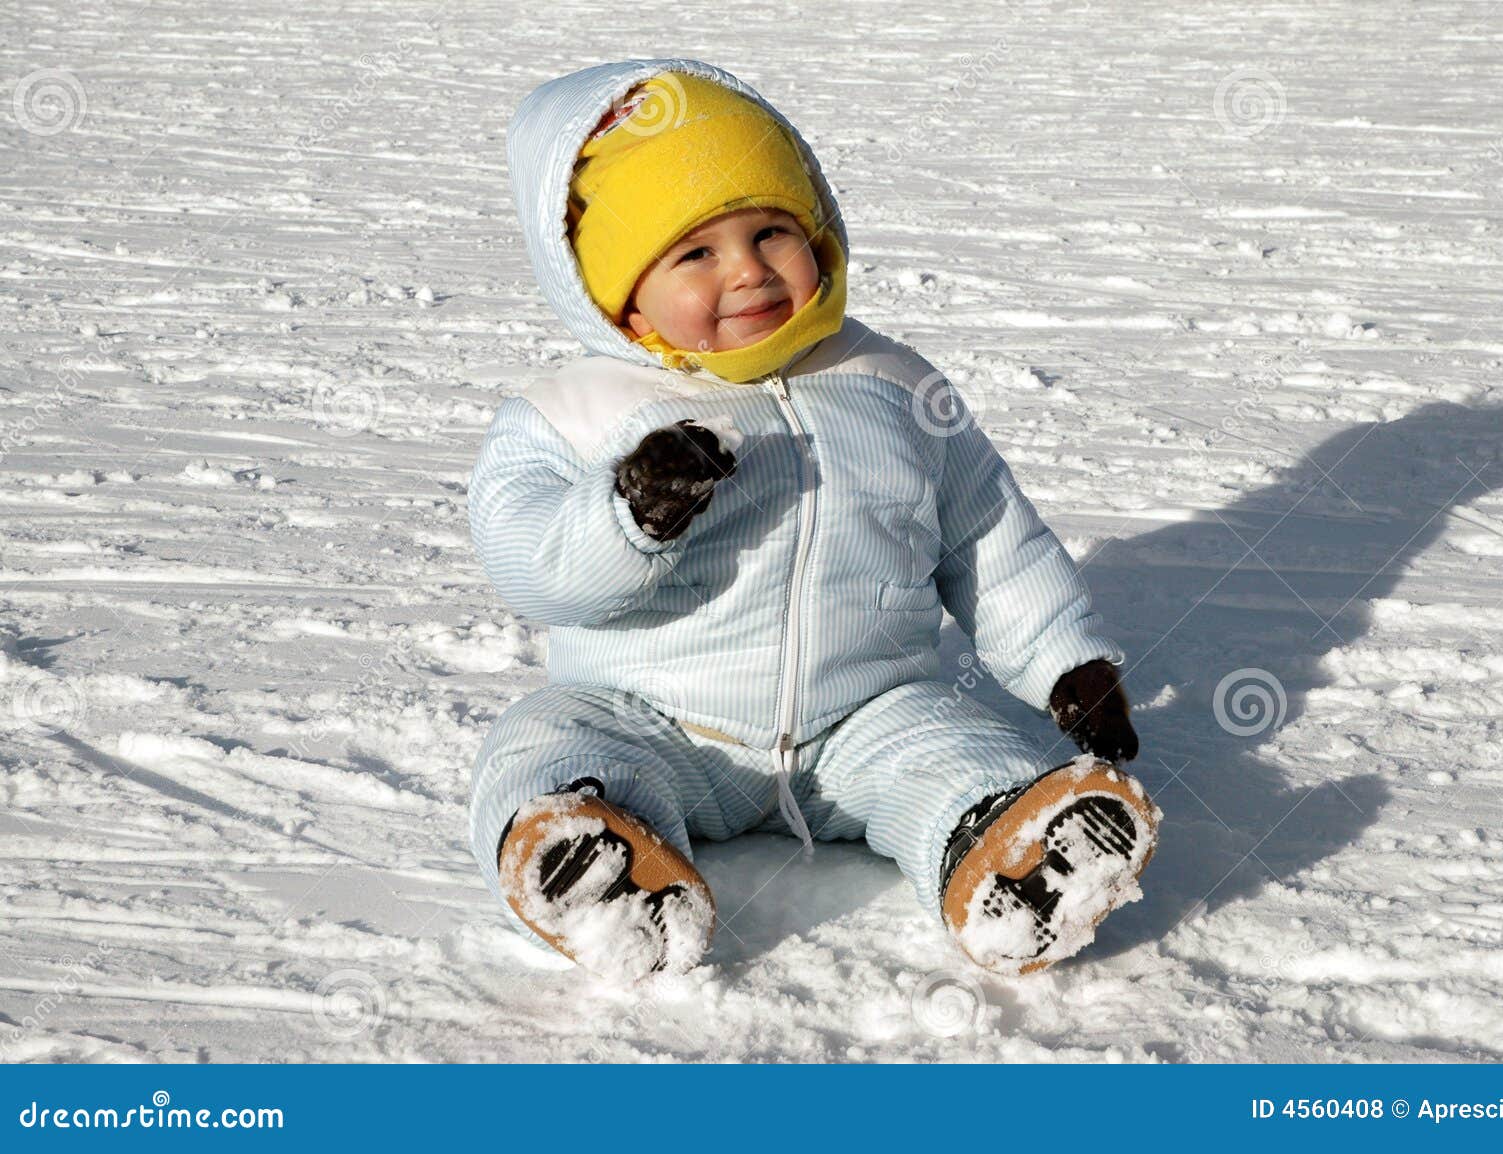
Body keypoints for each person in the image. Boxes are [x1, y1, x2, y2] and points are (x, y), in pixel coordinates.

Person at [468, 60, 1159, 979]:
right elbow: (527, 563)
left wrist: (1064, 658)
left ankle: (1013, 853)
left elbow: (988, 532)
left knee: (957, 745)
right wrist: (628, 514)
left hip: (865, 715)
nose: (748, 272)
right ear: (618, 294)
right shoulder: (578, 412)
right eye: (695, 253)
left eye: (771, 232)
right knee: (543, 735)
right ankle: (591, 859)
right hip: (654, 719)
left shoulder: (892, 384)